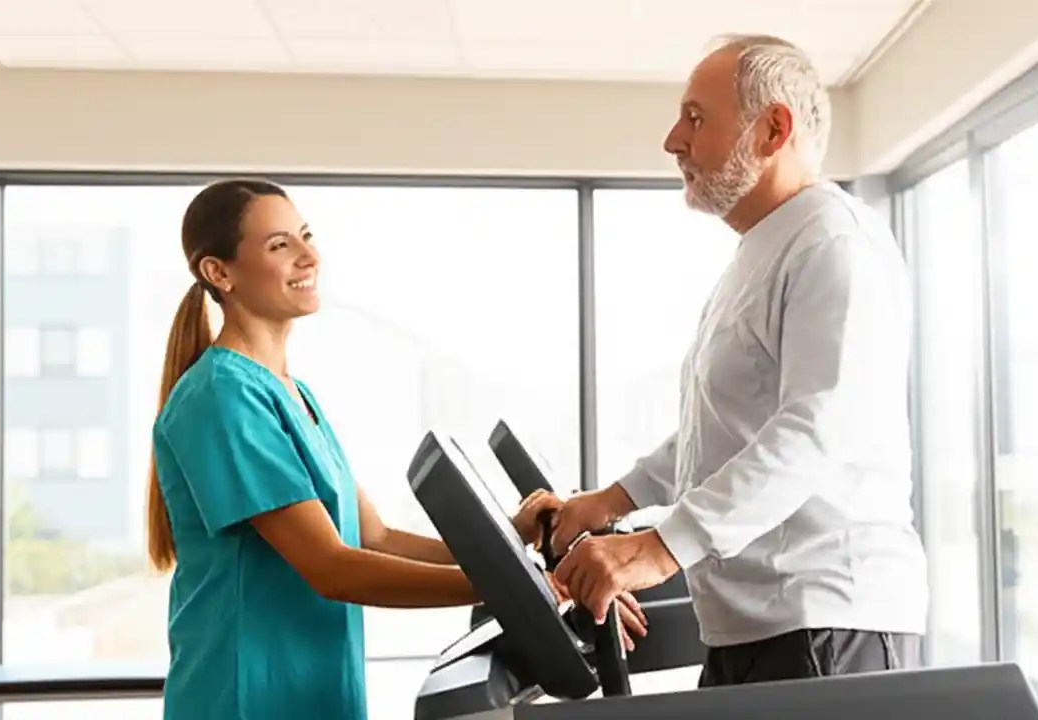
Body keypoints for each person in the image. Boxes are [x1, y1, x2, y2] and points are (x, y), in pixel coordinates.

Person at [146, 179, 644, 720]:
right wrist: (518, 593)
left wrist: (513, 534)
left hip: (318, 691)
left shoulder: (293, 393)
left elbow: (374, 537)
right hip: (245, 695)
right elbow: (331, 567)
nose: (308, 255)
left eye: (305, 236)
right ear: (219, 273)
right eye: (279, 245)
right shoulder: (223, 394)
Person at [550, 34, 928, 687]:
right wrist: (615, 499)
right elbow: (724, 425)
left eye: (696, 117)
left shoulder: (834, 243)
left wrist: (657, 547)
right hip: (754, 622)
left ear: (773, 128)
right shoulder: (763, 250)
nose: (674, 140)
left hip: (824, 620)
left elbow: (814, 432)